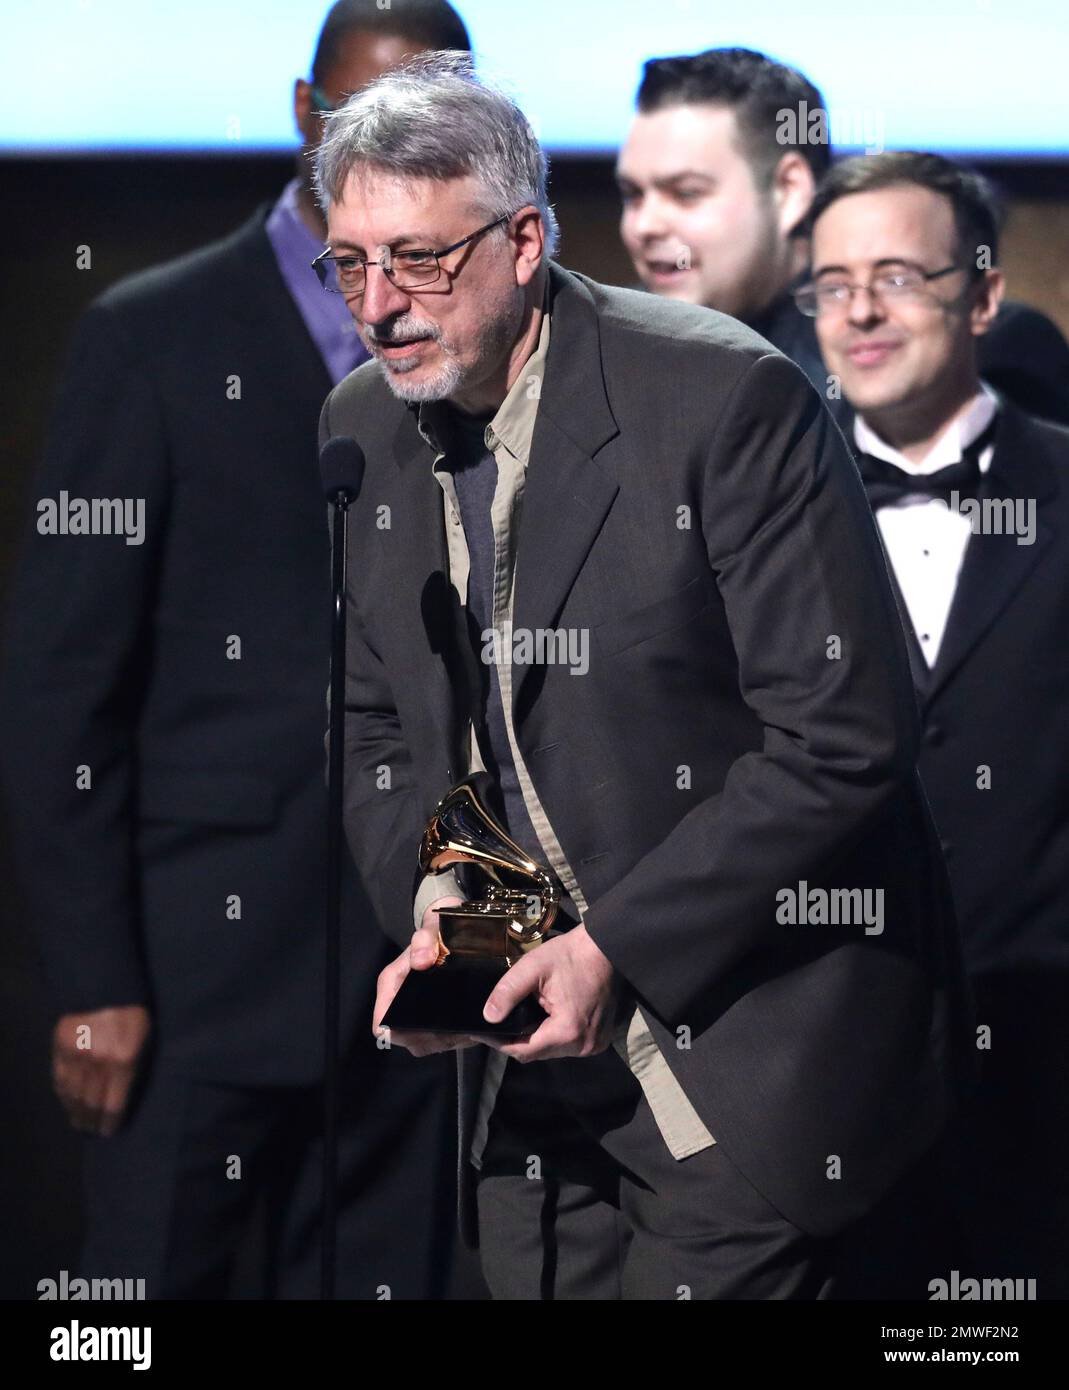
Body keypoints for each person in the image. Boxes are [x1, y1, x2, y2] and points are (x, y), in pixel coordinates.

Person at [317, 51, 975, 1301]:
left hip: (746, 1063)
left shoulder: (723, 396)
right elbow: (373, 727)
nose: (379, 302)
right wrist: (468, 924)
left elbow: (840, 736)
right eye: (350, 263)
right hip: (527, 1071)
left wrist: (609, 945)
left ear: (522, 241)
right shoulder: (360, 426)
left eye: (418, 259)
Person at [0, 0, 475, 1299]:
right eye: (374, 112)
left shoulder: (493, 342)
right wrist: (95, 979)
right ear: (305, 115)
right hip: (192, 984)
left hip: (423, 977)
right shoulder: (150, 337)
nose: (405, 142)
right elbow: (58, 693)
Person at [806, 150, 1069, 1298]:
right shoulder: (752, 511)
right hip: (824, 1074)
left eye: (897, 276)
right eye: (830, 281)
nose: (858, 309)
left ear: (982, 295)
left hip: (1050, 1067)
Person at [616, 47, 1069, 427]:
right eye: (633, 195)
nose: (645, 225)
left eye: (686, 193)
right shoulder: (604, 347)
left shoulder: (977, 347)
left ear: (789, 189)